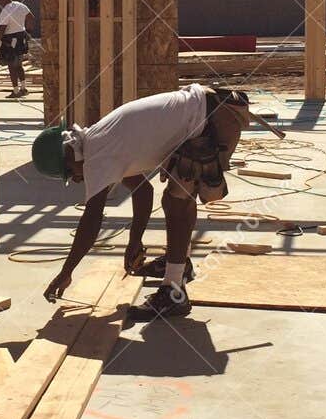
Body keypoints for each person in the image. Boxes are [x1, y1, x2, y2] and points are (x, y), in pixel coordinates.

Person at [30, 84, 253, 317]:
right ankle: (179, 264)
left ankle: (174, 292)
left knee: (177, 202)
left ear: (69, 155)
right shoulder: (100, 140)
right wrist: (134, 240)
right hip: (210, 111)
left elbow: (91, 221)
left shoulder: (97, 156)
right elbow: (142, 190)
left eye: (70, 173)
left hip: (213, 119)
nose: (76, 179)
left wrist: (66, 272)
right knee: (177, 198)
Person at [0, 0, 32, 97]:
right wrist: (28, 32)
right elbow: (30, 17)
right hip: (21, 38)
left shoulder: (6, 11)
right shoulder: (20, 5)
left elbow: (2, 29)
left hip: (11, 41)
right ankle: (23, 89)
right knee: (19, 65)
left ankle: (15, 91)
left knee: (11, 66)